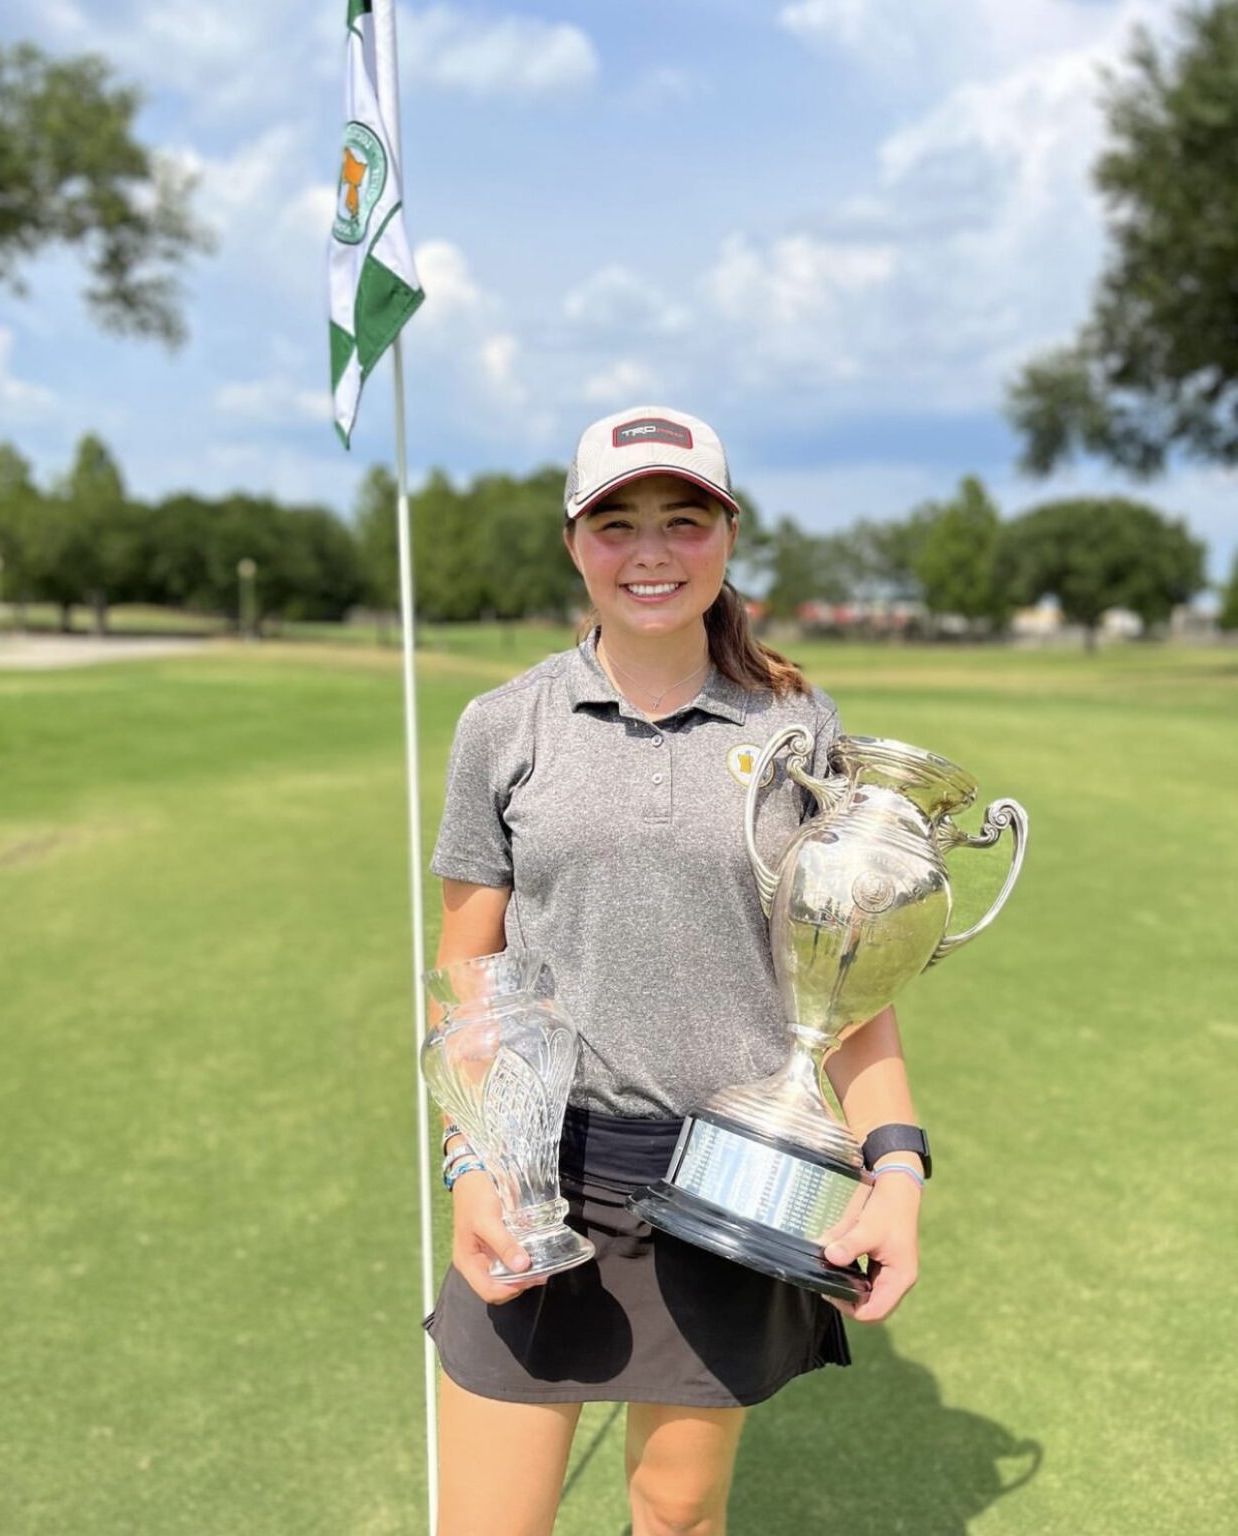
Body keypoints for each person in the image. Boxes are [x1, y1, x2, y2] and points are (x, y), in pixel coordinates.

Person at [424, 406, 926, 1536]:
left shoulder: (799, 727)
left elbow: (842, 988)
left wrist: (896, 1171)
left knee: (677, 1514)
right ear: (572, 542)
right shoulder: (503, 726)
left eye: (682, 519)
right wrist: (473, 1163)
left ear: (727, 534)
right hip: (538, 1169)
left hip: (731, 1182)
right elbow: (469, 967)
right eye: (616, 523)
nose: (649, 552)